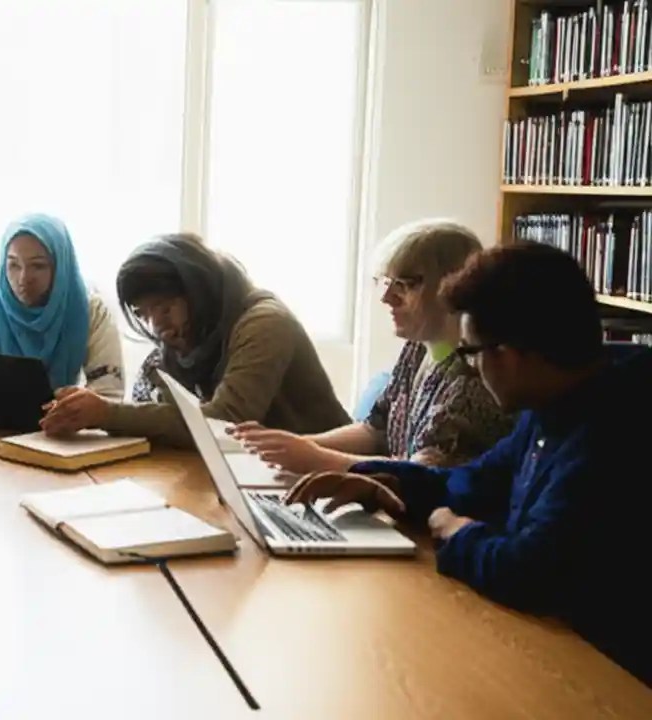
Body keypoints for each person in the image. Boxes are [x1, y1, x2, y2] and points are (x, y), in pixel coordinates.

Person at [284, 243, 650, 683]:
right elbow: (471, 482)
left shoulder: (615, 431)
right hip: (559, 647)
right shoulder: (554, 402)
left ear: (509, 353)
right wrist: (381, 483)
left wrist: (457, 530)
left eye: (471, 352)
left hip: (613, 678)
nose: (472, 368)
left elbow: (530, 572)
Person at [234, 220, 514, 473]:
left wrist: (315, 457)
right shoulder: (417, 349)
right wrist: (290, 445)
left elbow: (423, 478)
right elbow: (375, 430)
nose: (386, 298)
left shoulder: (475, 379)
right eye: (386, 282)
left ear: (452, 284)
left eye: (405, 284)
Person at [40, 233, 348, 446]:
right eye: (144, 314)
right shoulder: (188, 339)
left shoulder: (265, 323)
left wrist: (106, 413)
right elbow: (169, 415)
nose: (158, 326)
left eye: (165, 308)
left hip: (324, 483)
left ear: (199, 291)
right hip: (255, 473)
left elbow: (224, 423)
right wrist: (83, 409)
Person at [0, 213, 124, 399]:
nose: (24, 278)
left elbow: (108, 392)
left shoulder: (88, 309)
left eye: (38, 266)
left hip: (67, 415)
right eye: (13, 265)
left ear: (60, 267)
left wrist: (76, 403)